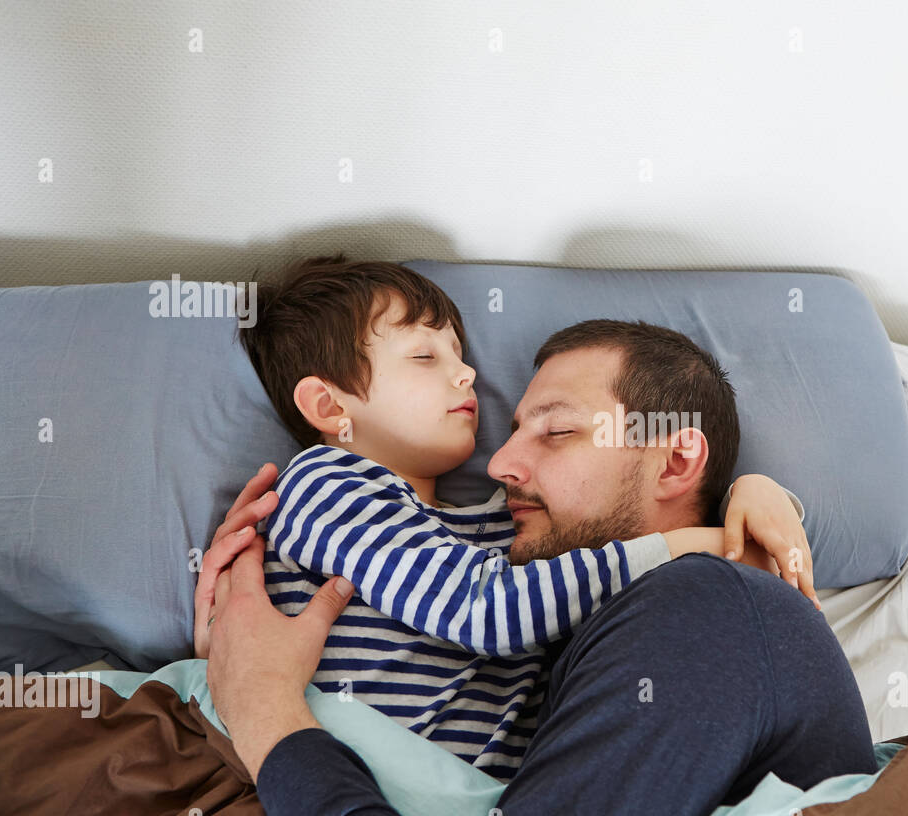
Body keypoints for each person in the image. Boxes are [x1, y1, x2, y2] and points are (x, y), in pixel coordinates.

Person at [201, 317, 879, 816]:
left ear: (675, 459)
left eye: (555, 430)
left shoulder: (707, 606)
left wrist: (262, 710)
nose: (498, 464)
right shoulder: (594, 620)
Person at [217, 255, 811, 781]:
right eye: (424, 355)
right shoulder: (326, 484)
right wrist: (687, 545)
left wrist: (751, 493)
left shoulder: (500, 529)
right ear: (329, 406)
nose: (467, 373)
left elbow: (598, 524)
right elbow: (486, 609)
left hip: (468, 810)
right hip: (354, 776)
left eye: (460, 353)